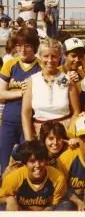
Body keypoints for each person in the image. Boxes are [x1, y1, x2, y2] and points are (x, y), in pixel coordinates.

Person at [0, 27, 41, 174]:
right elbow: (1, 93)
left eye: (27, 46)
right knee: (4, 163)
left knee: (28, 161)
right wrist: (22, 92)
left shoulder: (41, 66)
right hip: (9, 121)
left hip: (30, 123)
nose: (22, 50)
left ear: (34, 47)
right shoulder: (10, 64)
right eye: (19, 45)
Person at [22, 38, 80, 140]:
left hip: (64, 133)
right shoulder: (32, 81)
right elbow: (26, 113)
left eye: (54, 56)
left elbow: (76, 111)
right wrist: (29, 140)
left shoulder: (66, 80)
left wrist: (69, 135)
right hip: (40, 133)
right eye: (46, 56)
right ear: (40, 57)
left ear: (59, 58)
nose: (50, 60)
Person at [0, 140, 66, 211]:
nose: (37, 165)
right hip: (21, 212)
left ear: (46, 161)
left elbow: (55, 203)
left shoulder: (58, 178)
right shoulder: (13, 178)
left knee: (66, 206)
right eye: (32, 161)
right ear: (25, 163)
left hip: (46, 213)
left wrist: (49, 209)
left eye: (41, 160)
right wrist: (9, 199)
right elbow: (2, 196)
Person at [57, 116, 85, 211]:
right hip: (72, 202)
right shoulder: (66, 158)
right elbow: (61, 188)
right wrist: (77, 201)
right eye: (83, 136)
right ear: (76, 138)